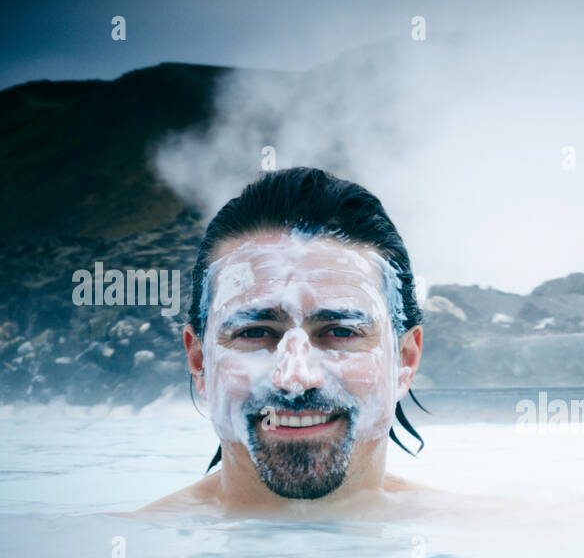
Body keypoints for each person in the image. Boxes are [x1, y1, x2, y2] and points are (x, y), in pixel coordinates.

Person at [137, 167, 433, 518]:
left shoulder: (493, 540)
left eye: (340, 332)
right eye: (255, 332)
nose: (295, 378)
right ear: (199, 361)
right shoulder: (129, 554)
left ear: (405, 360)